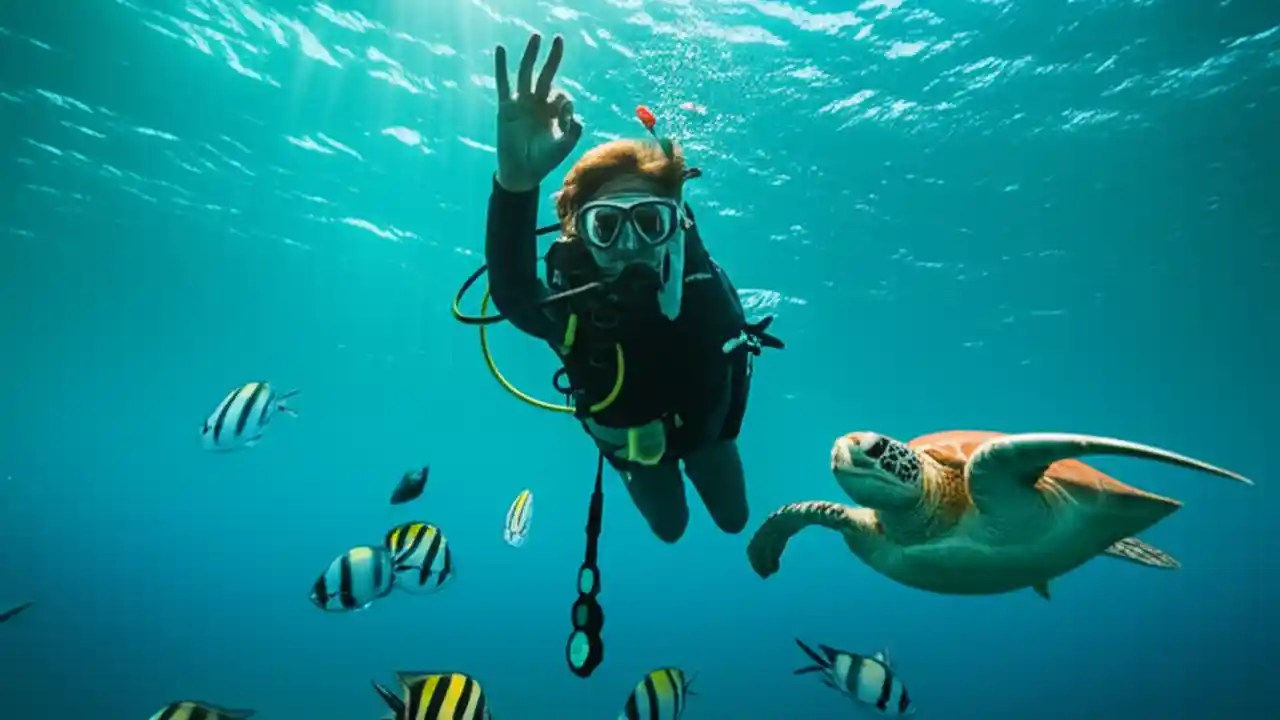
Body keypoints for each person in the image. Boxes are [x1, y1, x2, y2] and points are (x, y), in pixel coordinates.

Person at [481, 32, 782, 544]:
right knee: (670, 528)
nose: (629, 245)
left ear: (677, 224)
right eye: (605, 227)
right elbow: (511, 294)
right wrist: (515, 185)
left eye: (649, 222)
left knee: (734, 518)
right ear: (581, 236)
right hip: (633, 449)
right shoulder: (575, 301)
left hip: (708, 435)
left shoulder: (701, 286)